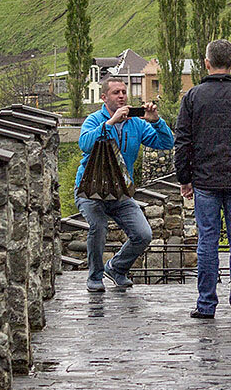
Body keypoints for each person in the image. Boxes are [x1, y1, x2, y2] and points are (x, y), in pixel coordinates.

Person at [175, 39, 231, 320]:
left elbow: (183, 142)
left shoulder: (192, 98)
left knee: (207, 241)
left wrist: (184, 177)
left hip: (205, 180)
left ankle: (206, 304)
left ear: (206, 63)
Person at [75, 77, 175, 292]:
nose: (121, 96)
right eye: (115, 93)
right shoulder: (94, 120)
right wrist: (110, 123)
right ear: (104, 98)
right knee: (98, 226)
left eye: (123, 92)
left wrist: (156, 121)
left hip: (120, 192)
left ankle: (117, 268)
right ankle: (95, 276)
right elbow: (84, 144)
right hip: (91, 190)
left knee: (143, 234)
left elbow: (166, 143)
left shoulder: (136, 123)